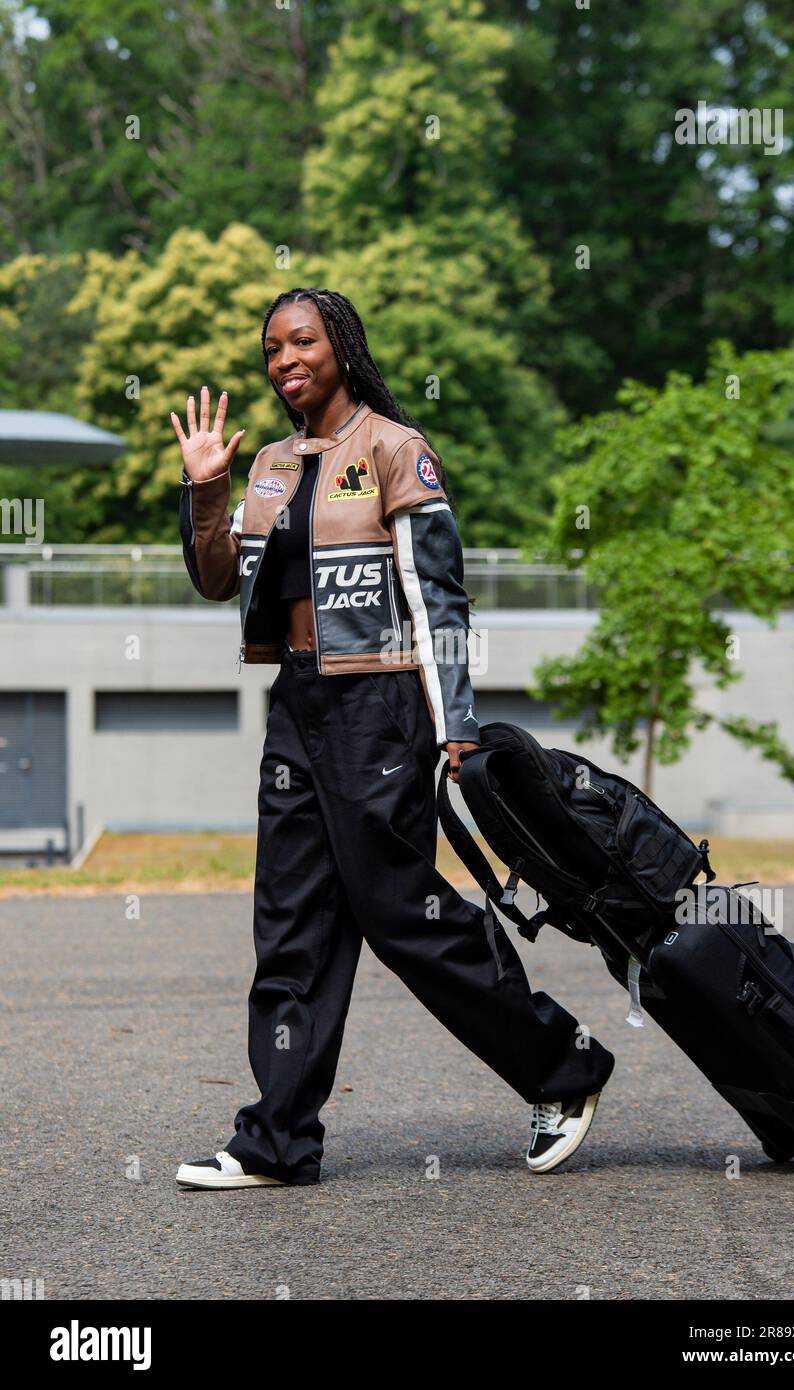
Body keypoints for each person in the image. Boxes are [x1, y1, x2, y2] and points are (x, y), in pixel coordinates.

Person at [170, 287, 614, 1189]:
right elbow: (217, 581)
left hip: (380, 707)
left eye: (302, 342)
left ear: (342, 347)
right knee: (291, 923)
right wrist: (204, 488)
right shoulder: (268, 465)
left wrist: (453, 724)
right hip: (297, 707)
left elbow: (436, 598)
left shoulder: (394, 450)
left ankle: (563, 1071)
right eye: (271, 349)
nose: (284, 360)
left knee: (400, 914)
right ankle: (277, 1140)